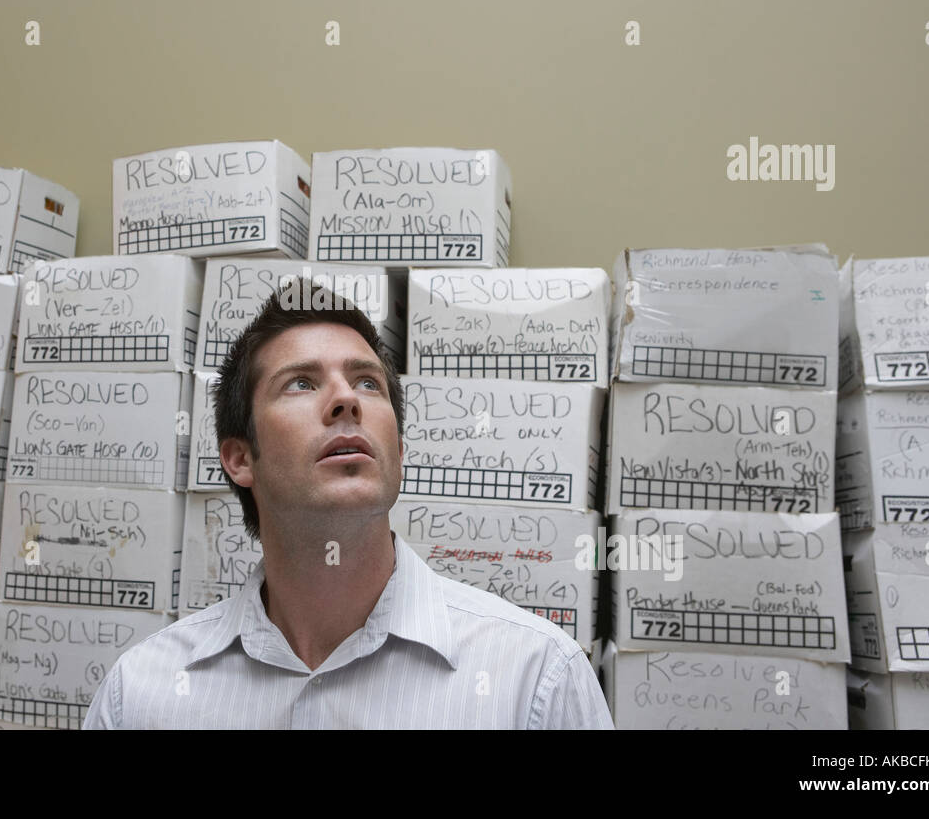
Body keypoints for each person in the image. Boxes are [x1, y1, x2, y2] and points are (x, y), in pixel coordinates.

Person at [83, 277, 613, 728]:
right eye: (300, 383)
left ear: (399, 451)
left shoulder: (536, 679)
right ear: (240, 458)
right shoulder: (140, 695)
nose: (346, 400)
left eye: (367, 381)